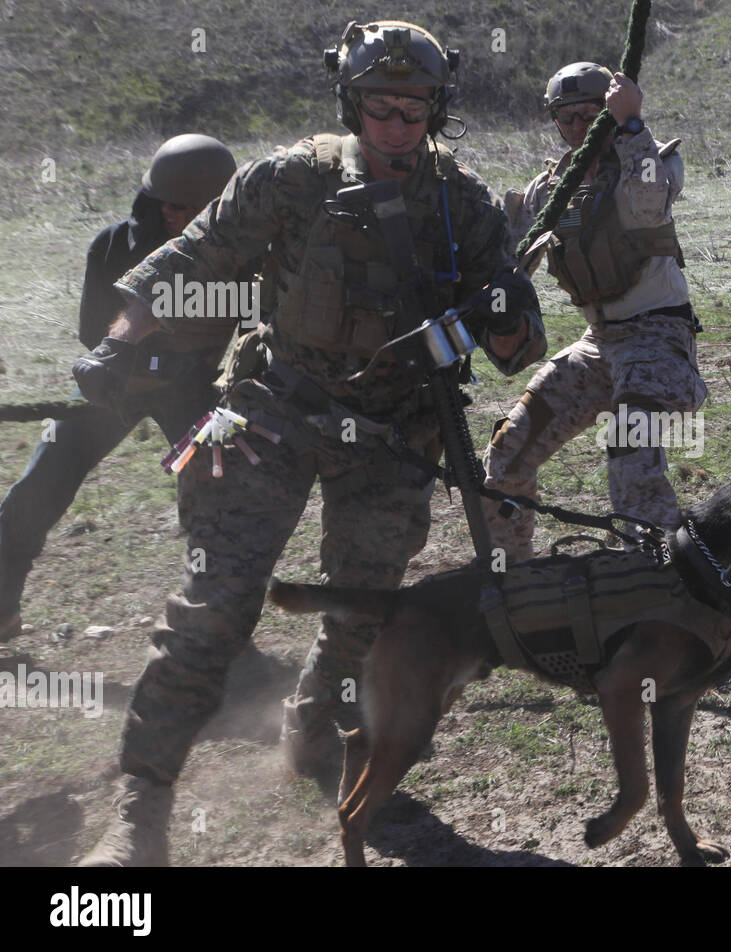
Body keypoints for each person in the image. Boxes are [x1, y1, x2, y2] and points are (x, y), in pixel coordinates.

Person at [73, 19, 544, 865]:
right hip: (276, 408)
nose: (396, 125)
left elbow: (516, 353)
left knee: (365, 605)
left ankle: (315, 721)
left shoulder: (462, 201)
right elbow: (187, 258)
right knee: (216, 600)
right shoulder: (293, 178)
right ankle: (140, 801)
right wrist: (115, 343)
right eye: (379, 107)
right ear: (350, 102)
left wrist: (505, 316)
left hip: (395, 429)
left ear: (437, 109)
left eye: (413, 109)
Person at [0, 134, 250, 641]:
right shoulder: (113, 246)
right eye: (172, 204)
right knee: (35, 490)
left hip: (196, 394)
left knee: (222, 502)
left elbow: (259, 331)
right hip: (115, 387)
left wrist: (221, 388)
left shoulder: (244, 256)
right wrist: (144, 365)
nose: (181, 215)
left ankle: (212, 630)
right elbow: (96, 335)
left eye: (199, 207)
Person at [485, 62, 706, 562]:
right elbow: (507, 256)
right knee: (507, 454)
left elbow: (649, 206)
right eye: (569, 119)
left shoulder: (648, 159)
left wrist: (631, 124)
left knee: (633, 466)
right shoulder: (549, 191)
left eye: (593, 114)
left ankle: (665, 588)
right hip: (598, 345)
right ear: (555, 123)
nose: (582, 128)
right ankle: (512, 579)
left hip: (658, 340)